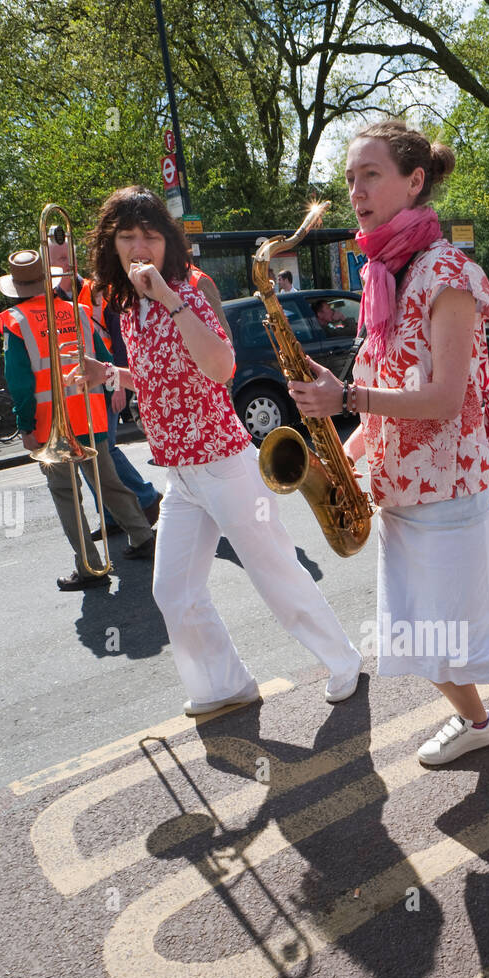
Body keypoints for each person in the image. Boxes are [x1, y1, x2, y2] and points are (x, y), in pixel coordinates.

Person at [288, 119, 489, 776]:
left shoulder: (448, 272)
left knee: (483, 648)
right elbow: (377, 392)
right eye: (350, 178)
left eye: (370, 174)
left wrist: (347, 398)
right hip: (400, 494)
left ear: (414, 180)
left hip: (457, 494)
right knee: (416, 641)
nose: (356, 190)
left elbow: (443, 398)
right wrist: (335, 460)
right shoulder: (380, 275)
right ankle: (476, 723)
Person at [69, 185, 362, 716]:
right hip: (179, 473)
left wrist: (169, 298)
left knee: (275, 572)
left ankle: (343, 660)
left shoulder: (187, 290)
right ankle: (225, 683)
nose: (139, 247)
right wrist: (111, 373)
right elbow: (161, 378)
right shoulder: (125, 304)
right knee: (173, 592)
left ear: (168, 243)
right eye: (128, 237)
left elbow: (220, 367)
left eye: (150, 237)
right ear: (110, 245)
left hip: (225, 465)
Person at [0, 248, 155, 590]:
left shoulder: (15, 321)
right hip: (90, 415)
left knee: (67, 495)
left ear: (18, 287)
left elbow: (20, 384)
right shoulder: (78, 312)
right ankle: (143, 537)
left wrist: (25, 427)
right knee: (107, 482)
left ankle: (90, 566)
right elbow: (104, 357)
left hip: (50, 425)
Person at [46, 225, 162, 533]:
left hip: (106, 380)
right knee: (87, 450)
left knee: (105, 448)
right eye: (57, 258)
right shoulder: (51, 299)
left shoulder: (97, 290)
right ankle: (112, 516)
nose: (64, 263)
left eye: (66, 255)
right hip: (76, 385)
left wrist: (117, 384)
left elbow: (119, 340)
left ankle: (146, 498)